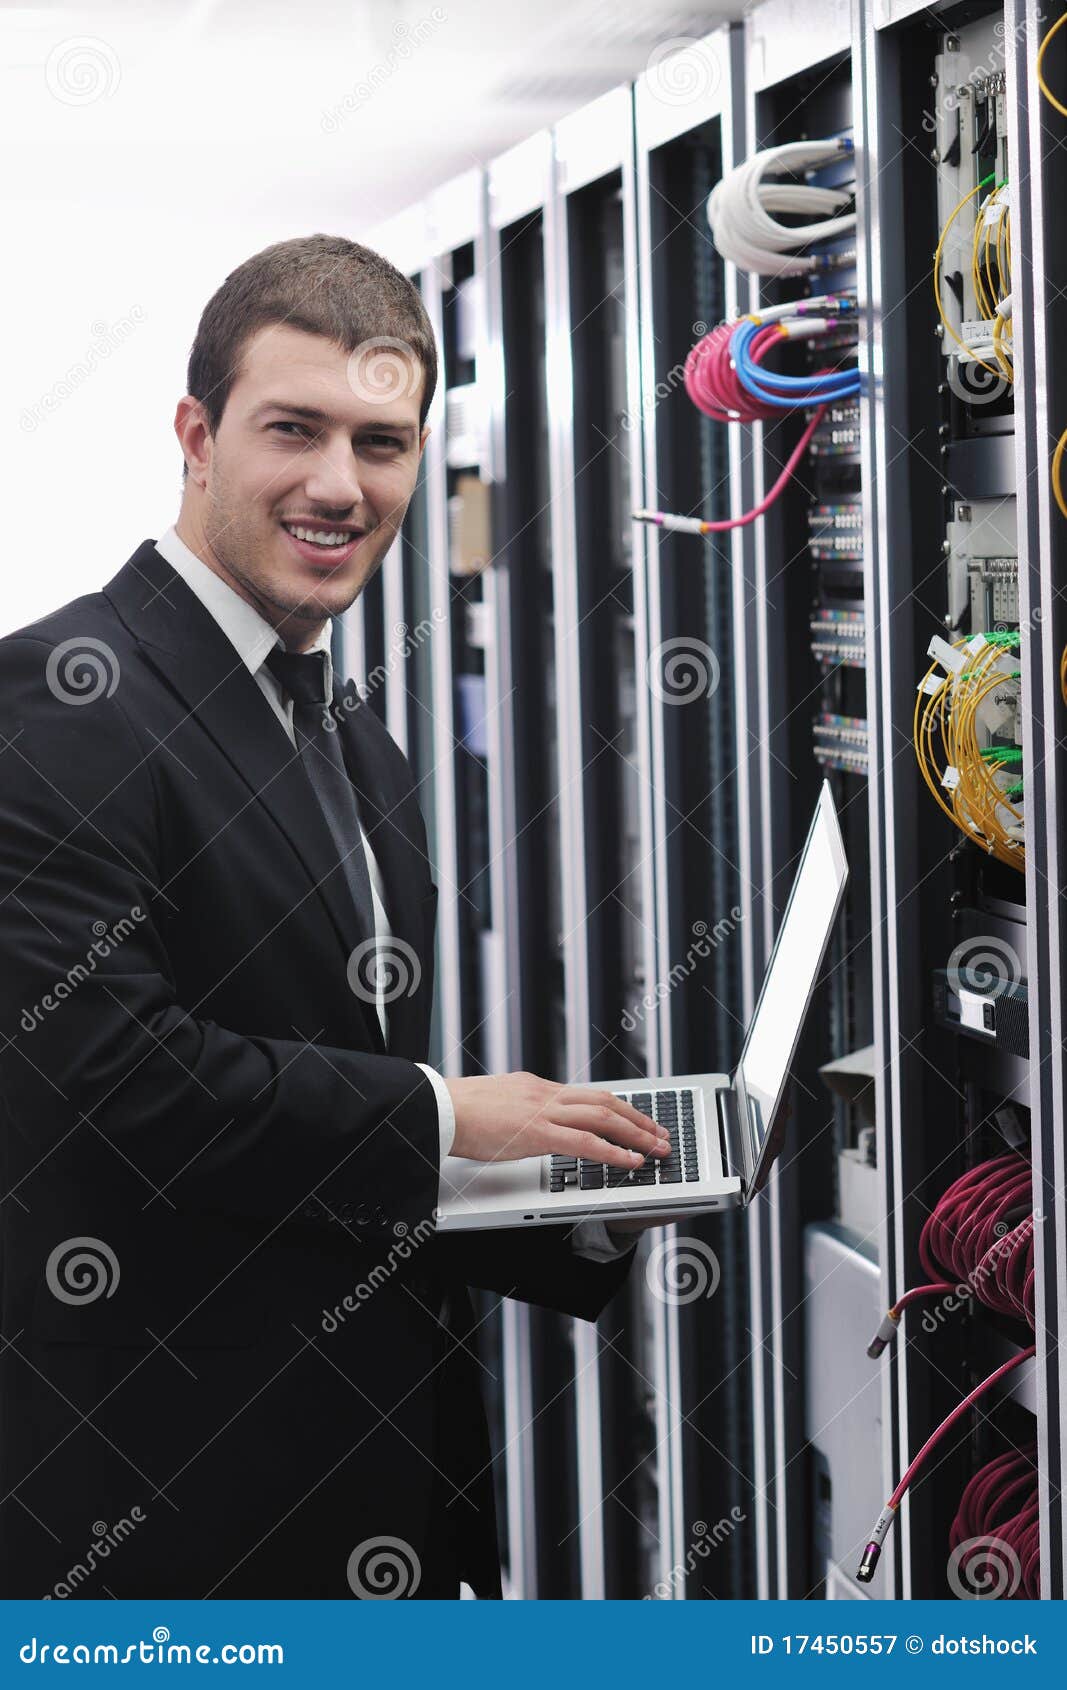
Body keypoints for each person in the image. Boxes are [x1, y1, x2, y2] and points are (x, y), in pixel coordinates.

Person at [0, 235, 672, 1599]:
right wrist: (447, 1115)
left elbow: (322, 1131)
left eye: (383, 442)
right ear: (195, 434)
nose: (339, 485)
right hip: (159, 1528)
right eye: (292, 430)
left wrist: (585, 1193)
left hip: (371, 1497)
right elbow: (106, 1084)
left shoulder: (349, 728)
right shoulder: (62, 701)